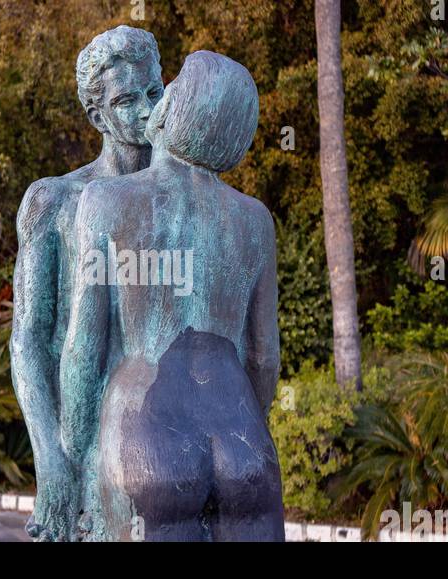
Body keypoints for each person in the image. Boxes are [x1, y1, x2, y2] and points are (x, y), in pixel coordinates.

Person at [59, 51, 284, 541]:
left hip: (146, 434)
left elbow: (83, 348)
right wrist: (243, 418)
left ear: (178, 111)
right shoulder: (254, 220)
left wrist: (77, 457)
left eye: (172, 85)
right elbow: (265, 357)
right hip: (244, 440)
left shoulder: (104, 203)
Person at [10, 25, 164, 542]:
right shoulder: (53, 201)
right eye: (126, 101)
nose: (145, 111)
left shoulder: (185, 203)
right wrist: (50, 461)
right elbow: (29, 339)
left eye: (154, 93)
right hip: (84, 442)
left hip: (163, 439)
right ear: (98, 116)